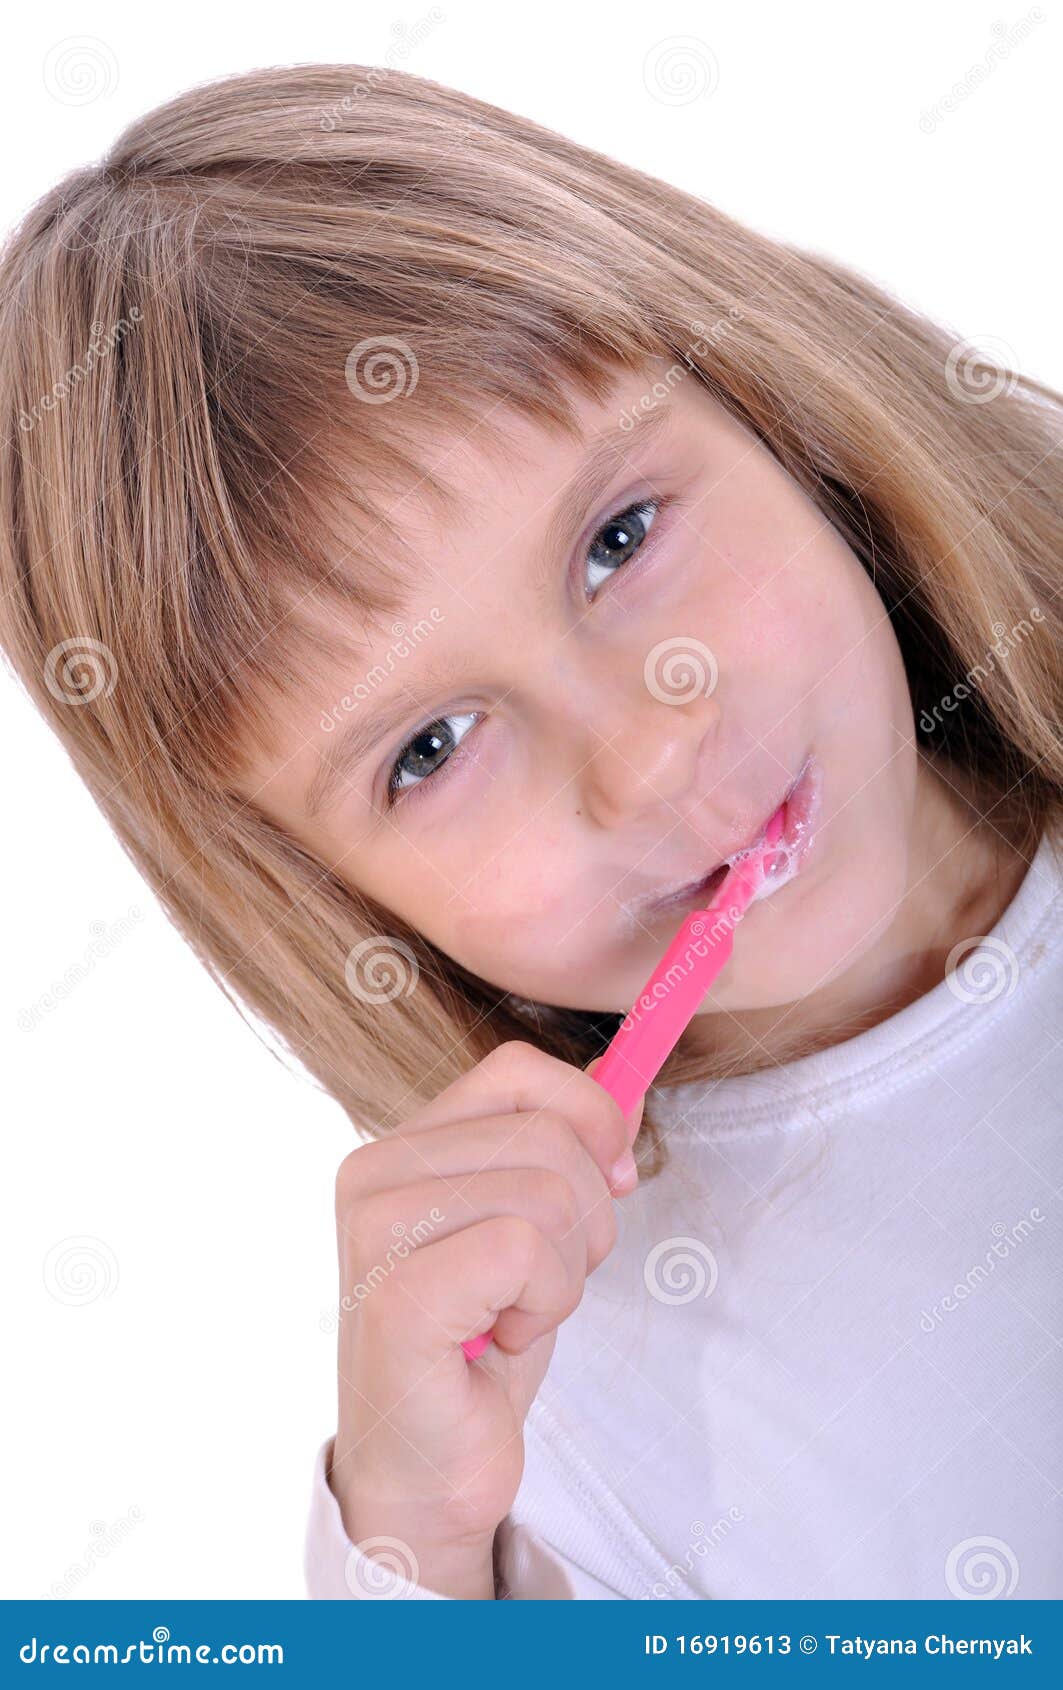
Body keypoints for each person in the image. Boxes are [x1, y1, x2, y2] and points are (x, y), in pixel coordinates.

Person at [0, 63, 1059, 1602]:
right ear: (326, 894)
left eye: (620, 538)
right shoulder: (566, 1423)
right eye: (428, 750)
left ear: (776, 413)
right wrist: (419, 1542)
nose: (644, 754)